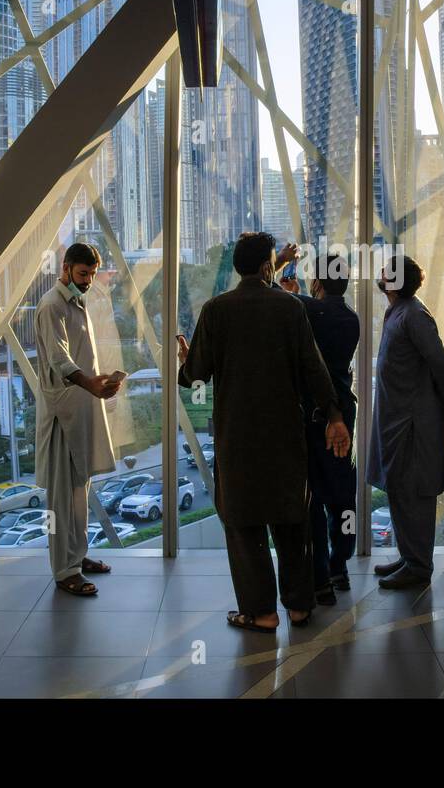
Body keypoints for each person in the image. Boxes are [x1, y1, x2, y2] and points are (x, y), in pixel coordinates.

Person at [176, 231, 351, 632]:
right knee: (292, 522)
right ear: (266, 266)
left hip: (237, 437)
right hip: (284, 434)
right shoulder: (290, 308)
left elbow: (196, 374)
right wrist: (334, 414)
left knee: (243, 525)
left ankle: (262, 612)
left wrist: (187, 361)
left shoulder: (217, 310)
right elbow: (313, 367)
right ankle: (299, 607)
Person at [35, 242, 124, 597]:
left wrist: (98, 384)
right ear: (66, 267)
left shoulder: (77, 303)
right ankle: (63, 571)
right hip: (61, 414)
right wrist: (90, 383)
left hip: (81, 409)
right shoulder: (51, 306)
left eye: (91, 274)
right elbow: (60, 360)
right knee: (60, 498)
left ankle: (78, 556)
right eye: (83, 273)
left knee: (79, 491)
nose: (88, 281)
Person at [365, 254, 444, 589]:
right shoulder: (399, 312)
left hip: (413, 425)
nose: (381, 273)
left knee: (414, 493)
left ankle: (419, 567)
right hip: (398, 421)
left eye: (387, 270)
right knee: (400, 491)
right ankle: (409, 557)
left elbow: (440, 364)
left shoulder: (415, 316)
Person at [292, 249, 359, 605]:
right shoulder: (351, 317)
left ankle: (320, 574)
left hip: (313, 415)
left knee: (313, 496)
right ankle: (340, 563)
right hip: (343, 416)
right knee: (342, 494)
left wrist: (288, 286)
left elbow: (281, 300)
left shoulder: (309, 310)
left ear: (316, 282)